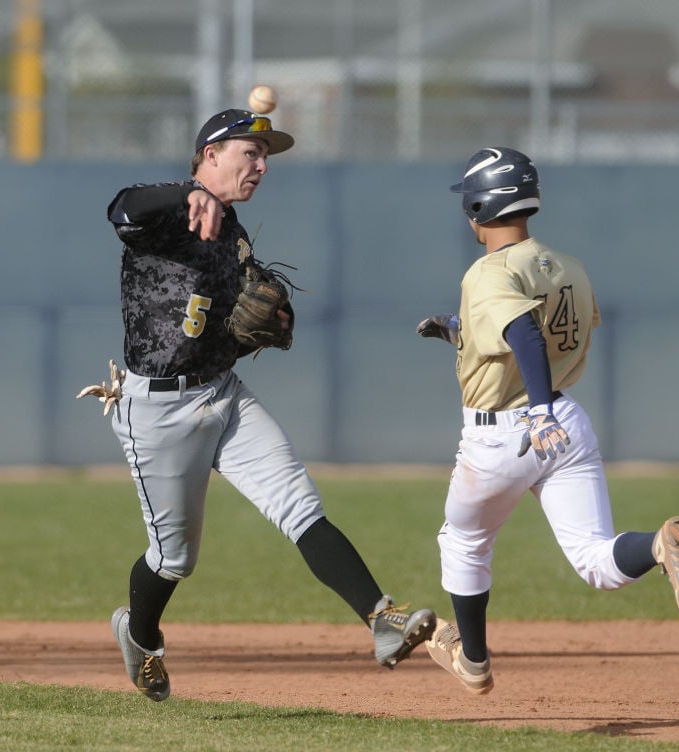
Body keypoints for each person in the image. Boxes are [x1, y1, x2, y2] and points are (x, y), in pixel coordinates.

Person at [92, 109, 436, 702]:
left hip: (221, 394)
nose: (261, 165)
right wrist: (190, 193)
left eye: (266, 156)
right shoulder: (174, 212)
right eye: (249, 153)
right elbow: (121, 207)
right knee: (174, 559)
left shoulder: (234, 233)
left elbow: (233, 316)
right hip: (157, 410)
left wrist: (274, 318)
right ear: (210, 155)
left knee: (301, 507)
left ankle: (382, 619)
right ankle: (142, 636)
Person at [416, 146, 679, 694]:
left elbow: (525, 331)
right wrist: (460, 332)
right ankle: (654, 546)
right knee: (597, 559)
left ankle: (473, 662)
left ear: (481, 203)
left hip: (508, 431)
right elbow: (540, 332)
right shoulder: (567, 266)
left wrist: (538, 408)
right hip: (567, 428)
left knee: (461, 542)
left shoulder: (487, 272)